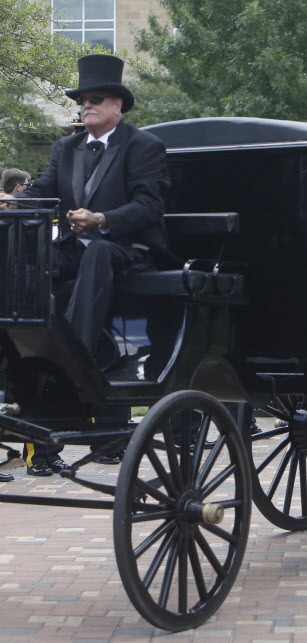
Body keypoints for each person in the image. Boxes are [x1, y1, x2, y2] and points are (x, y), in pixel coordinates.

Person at [13, 54, 170, 472]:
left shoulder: (143, 146)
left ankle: (75, 355)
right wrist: (10, 201)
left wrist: (101, 219)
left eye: (95, 99)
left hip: (126, 249)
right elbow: (41, 191)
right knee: (32, 256)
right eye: (82, 100)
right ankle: (20, 339)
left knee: (97, 252)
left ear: (117, 104)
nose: (86, 106)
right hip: (75, 249)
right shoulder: (66, 147)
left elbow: (149, 207)